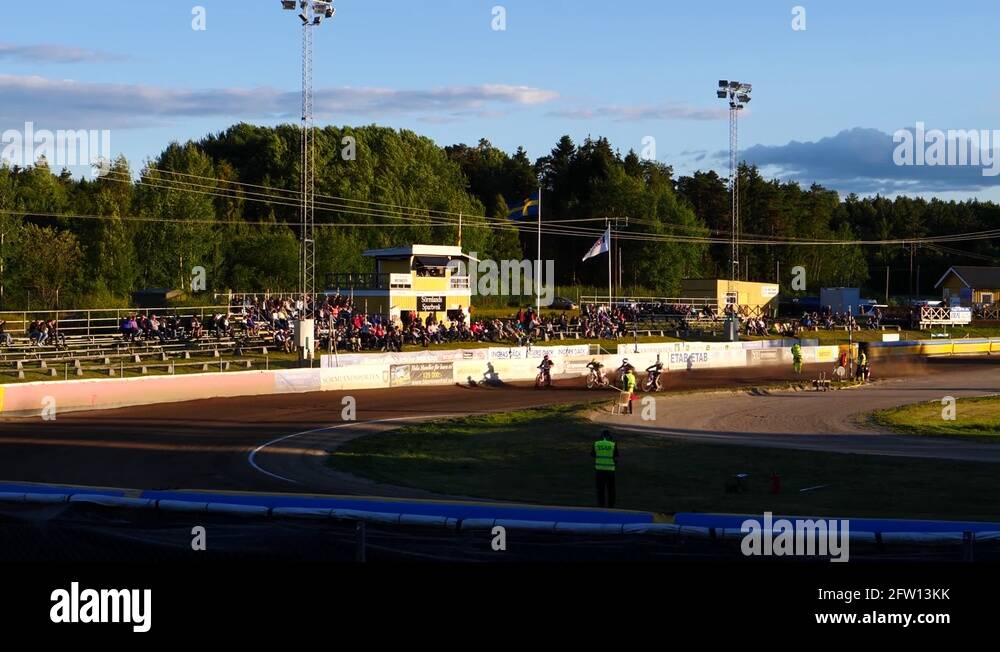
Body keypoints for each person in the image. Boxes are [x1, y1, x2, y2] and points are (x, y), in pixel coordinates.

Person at [591, 429, 619, 508]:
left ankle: (601, 505)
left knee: (600, 489)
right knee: (611, 489)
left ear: (601, 436)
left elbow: (593, 455)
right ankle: (611, 506)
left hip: (599, 470)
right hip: (610, 471)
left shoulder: (596, 444)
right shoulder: (613, 444)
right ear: (609, 436)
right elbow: (616, 457)